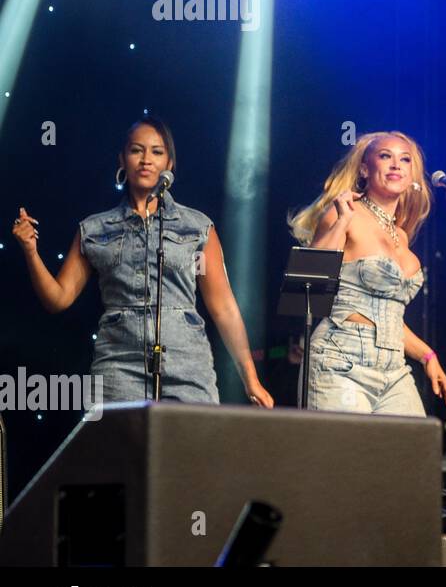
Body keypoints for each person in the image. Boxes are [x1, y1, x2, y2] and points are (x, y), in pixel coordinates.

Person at [12, 117, 273, 406]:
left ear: (170, 164)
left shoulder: (197, 227)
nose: (146, 160)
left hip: (187, 363)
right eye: (137, 150)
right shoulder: (95, 229)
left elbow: (223, 307)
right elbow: (58, 299)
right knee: (120, 450)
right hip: (119, 364)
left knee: (191, 449)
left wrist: (250, 379)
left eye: (157, 152)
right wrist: (30, 251)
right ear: (122, 159)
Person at [289, 131, 446, 415]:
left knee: (413, 455)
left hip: (394, 368)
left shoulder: (401, 234)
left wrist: (427, 355)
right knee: (348, 458)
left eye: (405, 159)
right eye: (385, 156)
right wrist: (341, 222)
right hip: (340, 359)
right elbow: (305, 285)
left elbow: (386, 318)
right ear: (365, 168)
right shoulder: (345, 214)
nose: (396, 165)